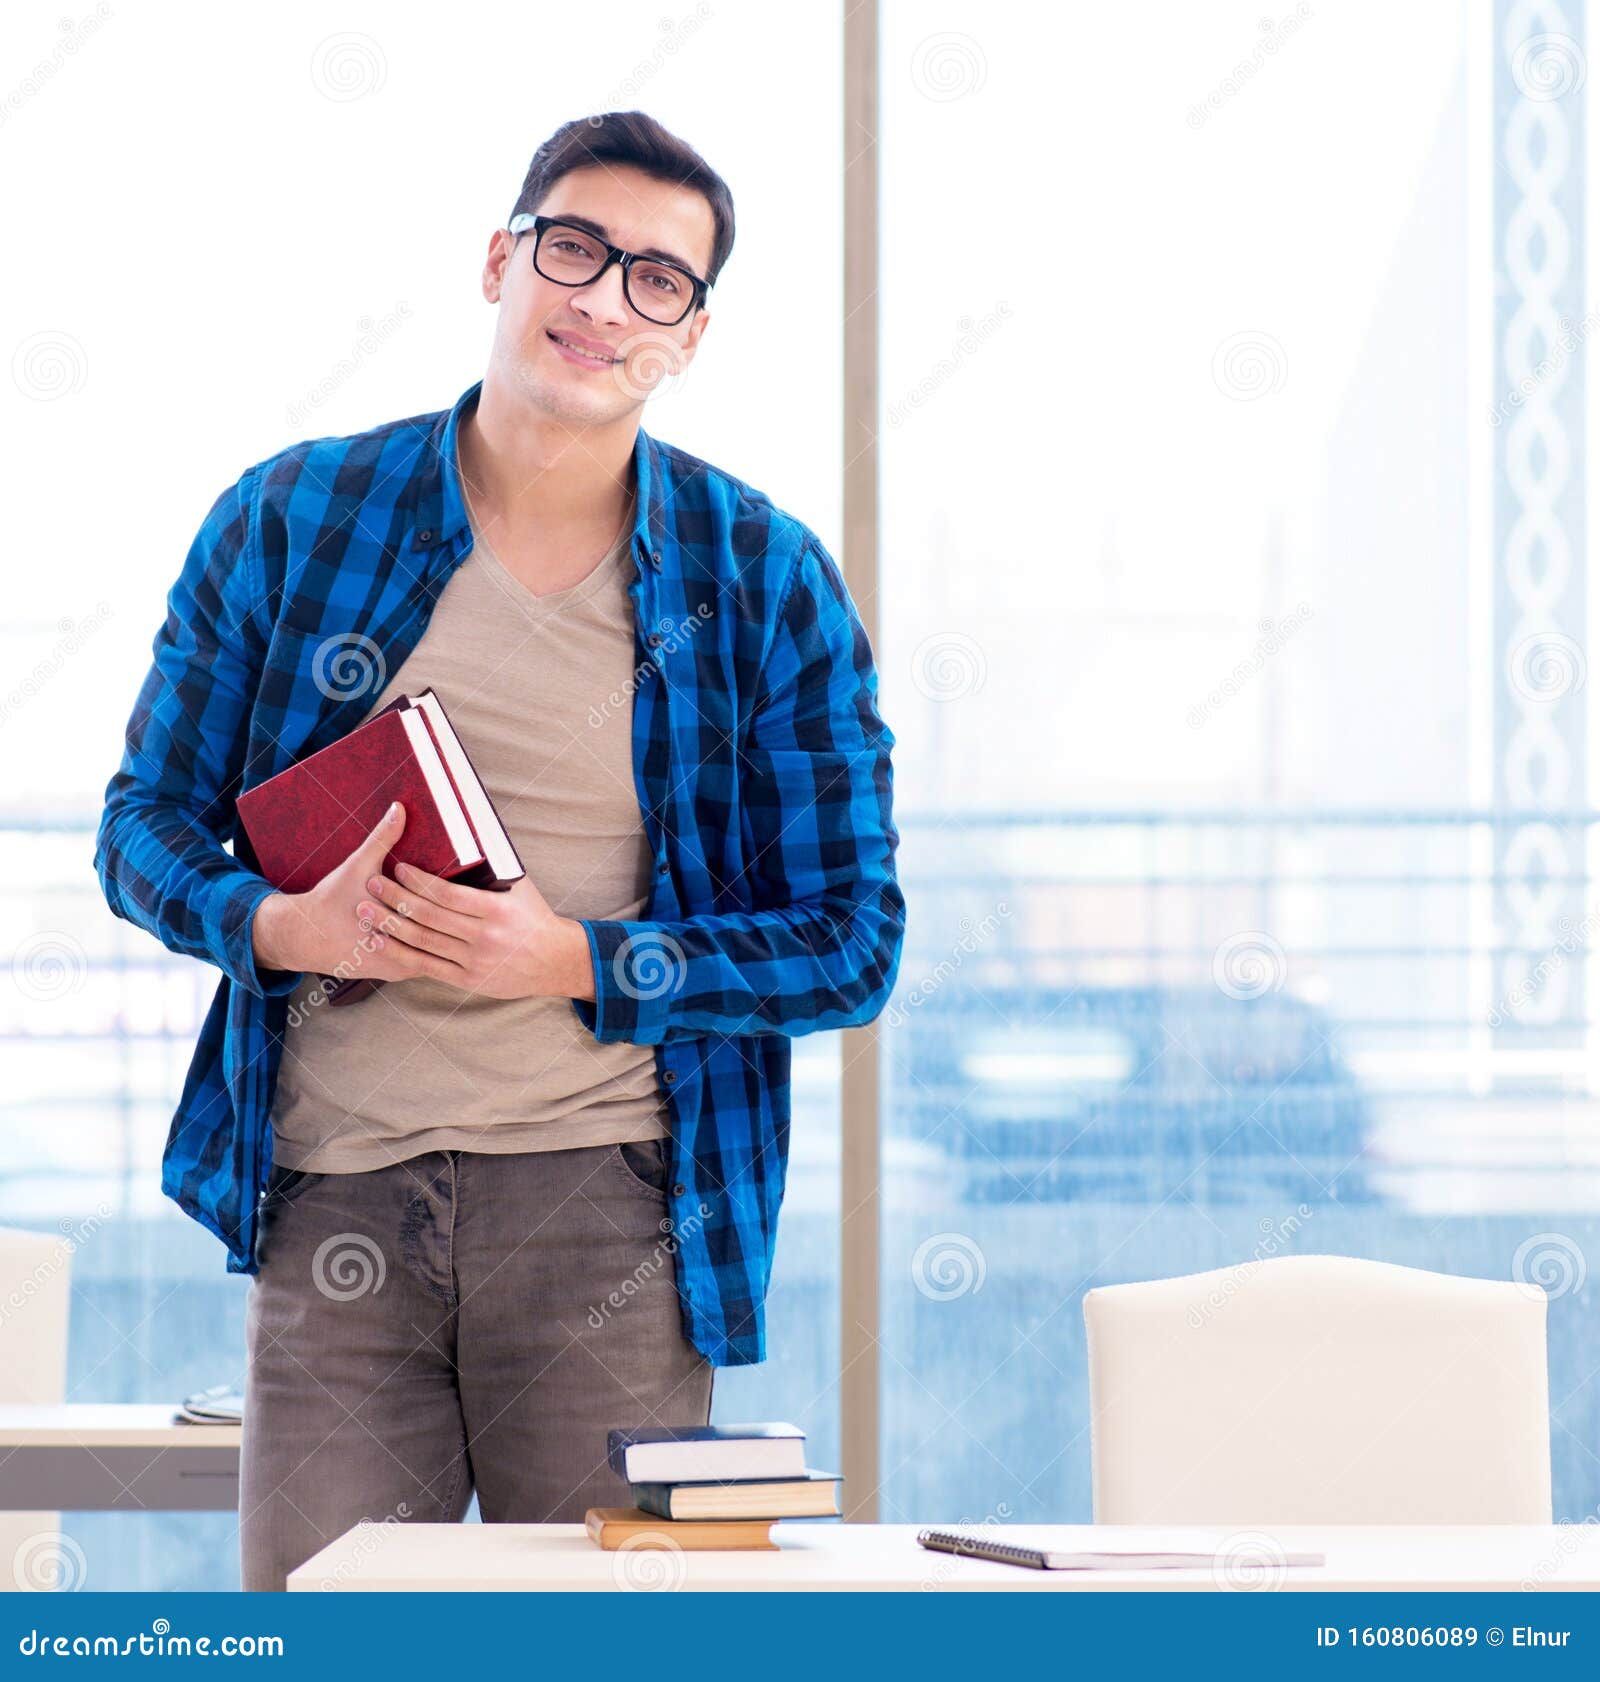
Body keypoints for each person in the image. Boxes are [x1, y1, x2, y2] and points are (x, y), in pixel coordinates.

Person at [92, 109, 905, 1591]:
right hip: (333, 1195)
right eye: (576, 248)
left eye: (657, 280)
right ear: (502, 259)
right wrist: (281, 926)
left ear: (691, 338)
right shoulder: (292, 520)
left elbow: (854, 941)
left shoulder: (762, 575)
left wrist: (576, 960)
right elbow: (139, 824)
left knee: (609, 1639)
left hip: (614, 1212)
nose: (603, 300)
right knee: (320, 1634)